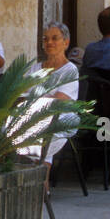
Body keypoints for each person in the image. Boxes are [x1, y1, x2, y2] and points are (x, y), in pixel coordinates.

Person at [24, 21, 80, 168]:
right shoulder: (35, 69)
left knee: (45, 130)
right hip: (32, 115)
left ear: (66, 43)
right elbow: (21, 94)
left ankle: (42, 183)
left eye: (55, 38)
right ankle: (40, 184)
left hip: (62, 116)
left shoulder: (70, 70)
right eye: (45, 39)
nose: (49, 42)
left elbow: (59, 101)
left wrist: (34, 101)